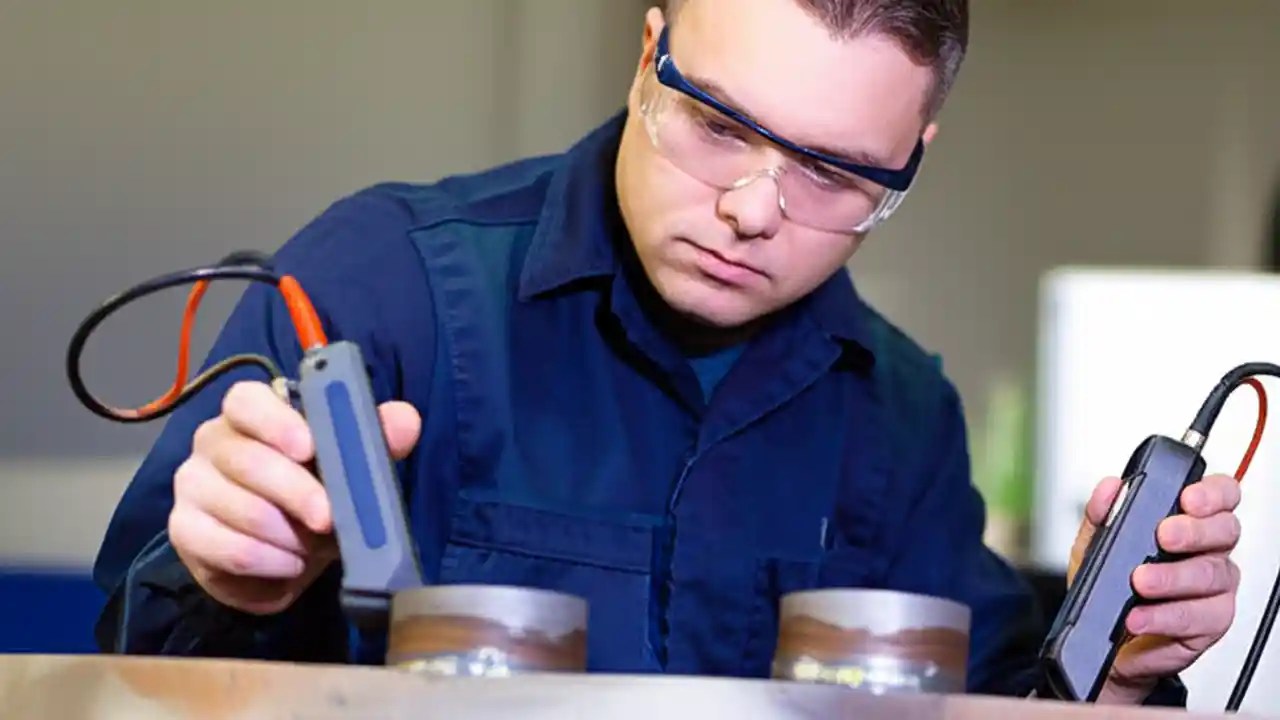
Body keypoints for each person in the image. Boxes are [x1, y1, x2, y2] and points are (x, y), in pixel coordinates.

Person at [92, 0, 1243, 706]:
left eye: (833, 174)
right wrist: (226, 589)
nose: (751, 210)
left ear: (910, 161)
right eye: (718, 126)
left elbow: (994, 702)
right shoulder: (380, 283)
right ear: (649, 59)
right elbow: (126, 677)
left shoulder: (901, 417)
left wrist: (1122, 667)